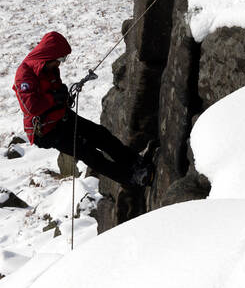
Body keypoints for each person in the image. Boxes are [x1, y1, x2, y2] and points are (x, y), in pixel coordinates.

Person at [12, 31, 152, 188]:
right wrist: (54, 98)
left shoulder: (49, 68)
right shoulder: (25, 74)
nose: (61, 63)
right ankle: (131, 178)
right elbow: (30, 106)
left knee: (101, 134)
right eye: (60, 59)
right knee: (89, 153)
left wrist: (63, 98)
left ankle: (134, 162)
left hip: (60, 117)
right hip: (45, 131)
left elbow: (52, 92)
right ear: (48, 55)